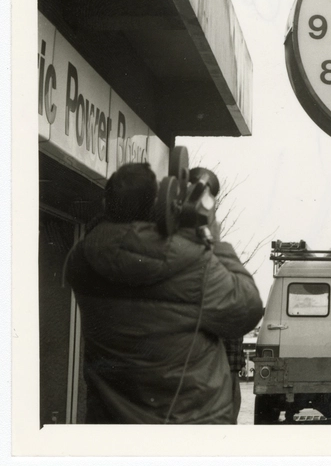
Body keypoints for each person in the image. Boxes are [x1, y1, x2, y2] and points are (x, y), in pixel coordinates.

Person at [65, 162, 264, 424]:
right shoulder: (193, 262)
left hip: (112, 423)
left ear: (106, 204)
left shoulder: (81, 258)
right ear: (160, 209)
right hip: (189, 423)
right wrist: (214, 243)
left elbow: (121, 239)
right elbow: (247, 310)